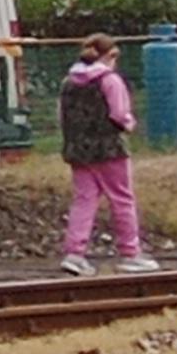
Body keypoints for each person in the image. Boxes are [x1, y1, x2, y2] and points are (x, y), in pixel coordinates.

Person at [61, 36, 158, 275]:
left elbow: (62, 115)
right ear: (111, 55)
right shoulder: (110, 80)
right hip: (109, 149)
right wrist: (130, 124)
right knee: (122, 198)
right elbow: (119, 114)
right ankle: (130, 253)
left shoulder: (68, 82)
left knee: (84, 200)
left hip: (78, 149)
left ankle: (74, 253)